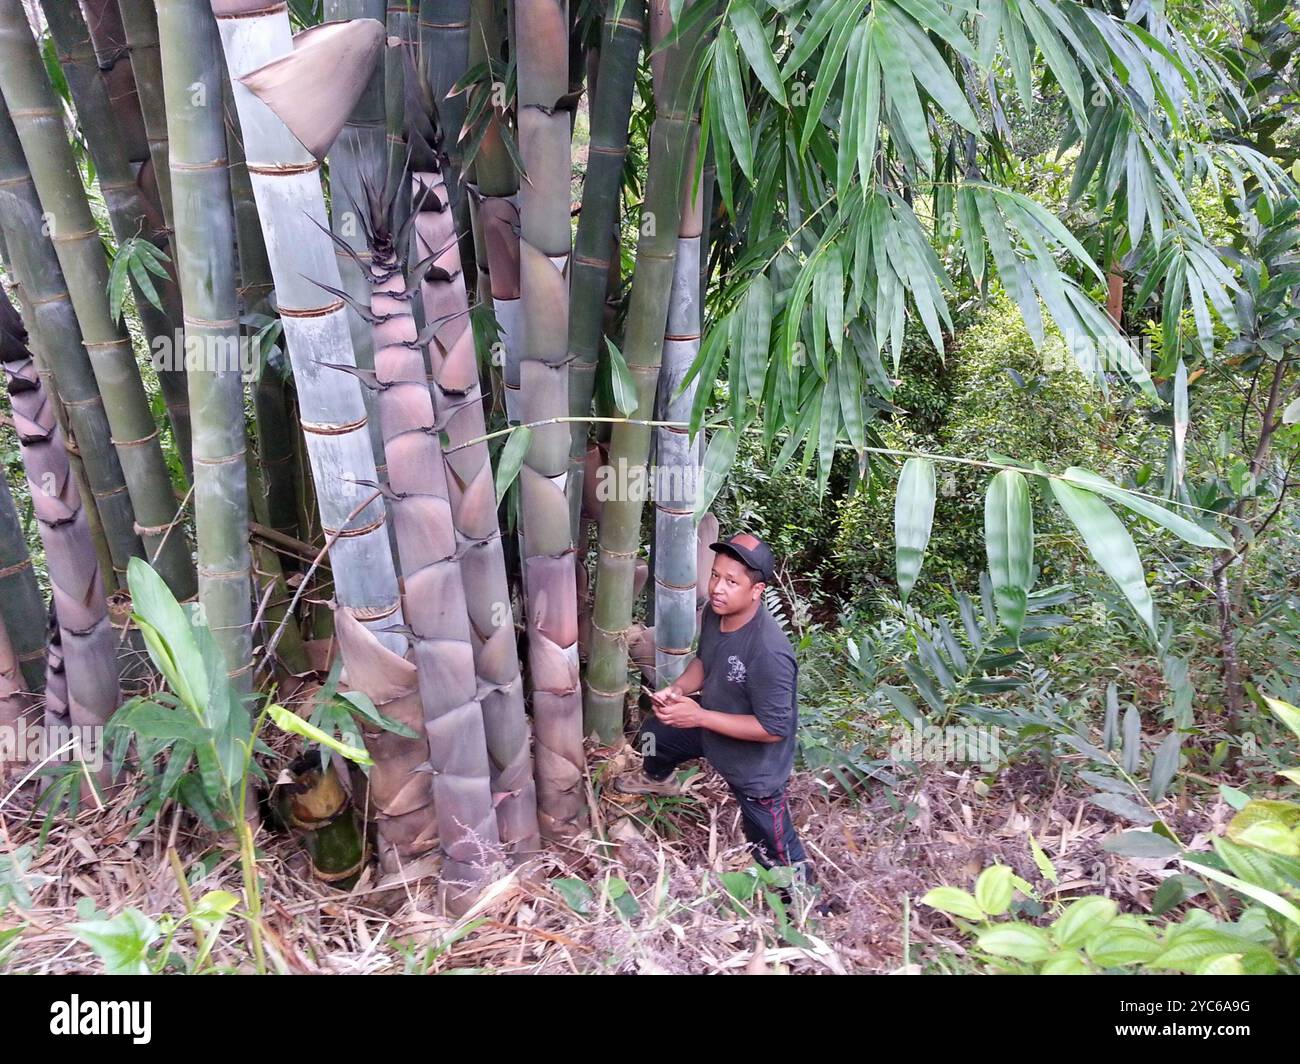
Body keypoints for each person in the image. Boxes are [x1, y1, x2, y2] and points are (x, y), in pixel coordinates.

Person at [616, 532, 814, 889]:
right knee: (652, 734)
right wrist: (677, 690)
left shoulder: (769, 651)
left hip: (753, 764)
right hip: (711, 725)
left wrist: (699, 716)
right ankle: (658, 780)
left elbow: (773, 728)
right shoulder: (714, 612)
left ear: (757, 591)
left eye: (732, 581)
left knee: (772, 847)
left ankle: (802, 903)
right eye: (715, 576)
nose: (718, 588)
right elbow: (705, 661)